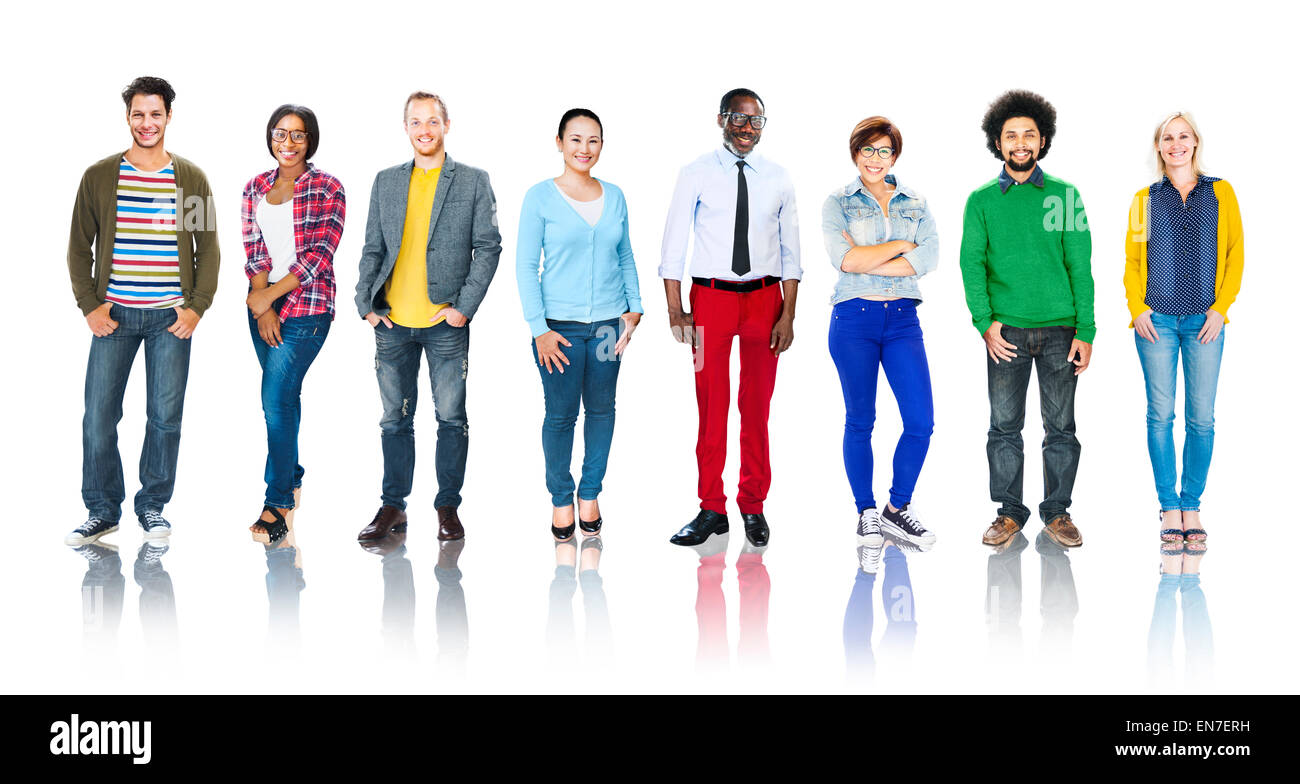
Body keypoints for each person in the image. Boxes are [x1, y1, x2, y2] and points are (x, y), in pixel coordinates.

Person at [65, 76, 220, 546]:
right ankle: (101, 510)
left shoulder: (190, 177)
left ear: (169, 116)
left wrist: (196, 308)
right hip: (113, 319)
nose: (147, 123)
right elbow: (78, 249)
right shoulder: (99, 176)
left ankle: (152, 507)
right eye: (138, 114)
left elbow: (207, 250)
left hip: (170, 320)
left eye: (155, 114)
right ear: (127, 117)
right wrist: (90, 305)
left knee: (165, 418)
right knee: (98, 416)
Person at [354, 91, 502, 543]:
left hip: (444, 325)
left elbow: (489, 247)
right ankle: (393, 506)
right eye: (416, 122)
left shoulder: (473, 180)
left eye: (432, 122)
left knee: (451, 418)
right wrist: (366, 305)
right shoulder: (386, 181)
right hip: (392, 323)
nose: (424, 130)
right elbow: (373, 248)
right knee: (394, 420)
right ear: (406, 128)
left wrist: (463, 309)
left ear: (446, 125)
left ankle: (447, 507)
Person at [661, 88, 801, 548]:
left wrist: (788, 314)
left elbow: (790, 252)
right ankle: (711, 508)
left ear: (763, 125)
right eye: (738, 119)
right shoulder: (696, 173)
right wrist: (675, 308)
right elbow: (674, 245)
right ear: (721, 119)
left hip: (764, 300)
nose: (746, 128)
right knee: (711, 405)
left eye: (756, 121)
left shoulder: (778, 178)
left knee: (756, 407)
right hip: (711, 301)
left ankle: (753, 505)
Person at [959, 89, 1094, 549]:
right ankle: (1009, 512)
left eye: (1029, 135)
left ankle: (1057, 513)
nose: (1020, 142)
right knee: (1004, 426)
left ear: (1042, 141)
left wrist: (1087, 330)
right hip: (1007, 331)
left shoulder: (1066, 195)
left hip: (1060, 332)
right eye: (1011, 135)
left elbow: (1081, 266)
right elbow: (971, 264)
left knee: (1061, 428)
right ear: (998, 142)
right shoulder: (981, 201)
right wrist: (985, 323)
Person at [516, 108, 643, 541]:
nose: (584, 149)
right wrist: (539, 328)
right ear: (559, 143)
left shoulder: (616, 196)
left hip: (609, 326)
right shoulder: (540, 197)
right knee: (561, 414)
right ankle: (559, 497)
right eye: (575, 139)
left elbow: (625, 254)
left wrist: (635, 309)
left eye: (593, 141)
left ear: (601, 146)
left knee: (603, 410)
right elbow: (526, 265)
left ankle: (590, 494)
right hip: (559, 330)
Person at [1124, 112, 1242, 544]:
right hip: (1155, 322)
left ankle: (1191, 506)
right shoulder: (1144, 199)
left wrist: (1220, 308)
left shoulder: (1221, 193)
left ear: (1195, 143)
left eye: (1184, 136)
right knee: (1160, 416)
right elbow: (1134, 261)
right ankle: (1168, 507)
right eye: (1168, 138)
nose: (1176, 144)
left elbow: (1234, 256)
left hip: (1204, 321)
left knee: (1202, 419)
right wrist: (1137, 309)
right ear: (1159, 146)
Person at [822, 116, 938, 547]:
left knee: (921, 422)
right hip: (853, 320)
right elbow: (845, 261)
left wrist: (867, 255)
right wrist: (900, 246)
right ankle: (866, 511)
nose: (875, 158)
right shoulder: (838, 203)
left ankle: (896, 509)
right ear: (855, 153)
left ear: (895, 155)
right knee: (860, 420)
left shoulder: (915, 201)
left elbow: (930, 257)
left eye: (884, 150)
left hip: (903, 320)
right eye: (867, 149)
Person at [241, 104, 345, 544]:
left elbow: (320, 255)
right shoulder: (255, 187)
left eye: (298, 135)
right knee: (285, 399)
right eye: (280, 134)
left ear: (310, 140)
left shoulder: (328, 187)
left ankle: (278, 501)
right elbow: (255, 248)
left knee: (275, 402)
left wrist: (270, 296)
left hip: (307, 308)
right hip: (262, 309)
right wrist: (261, 305)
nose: (288, 143)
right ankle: (294, 474)